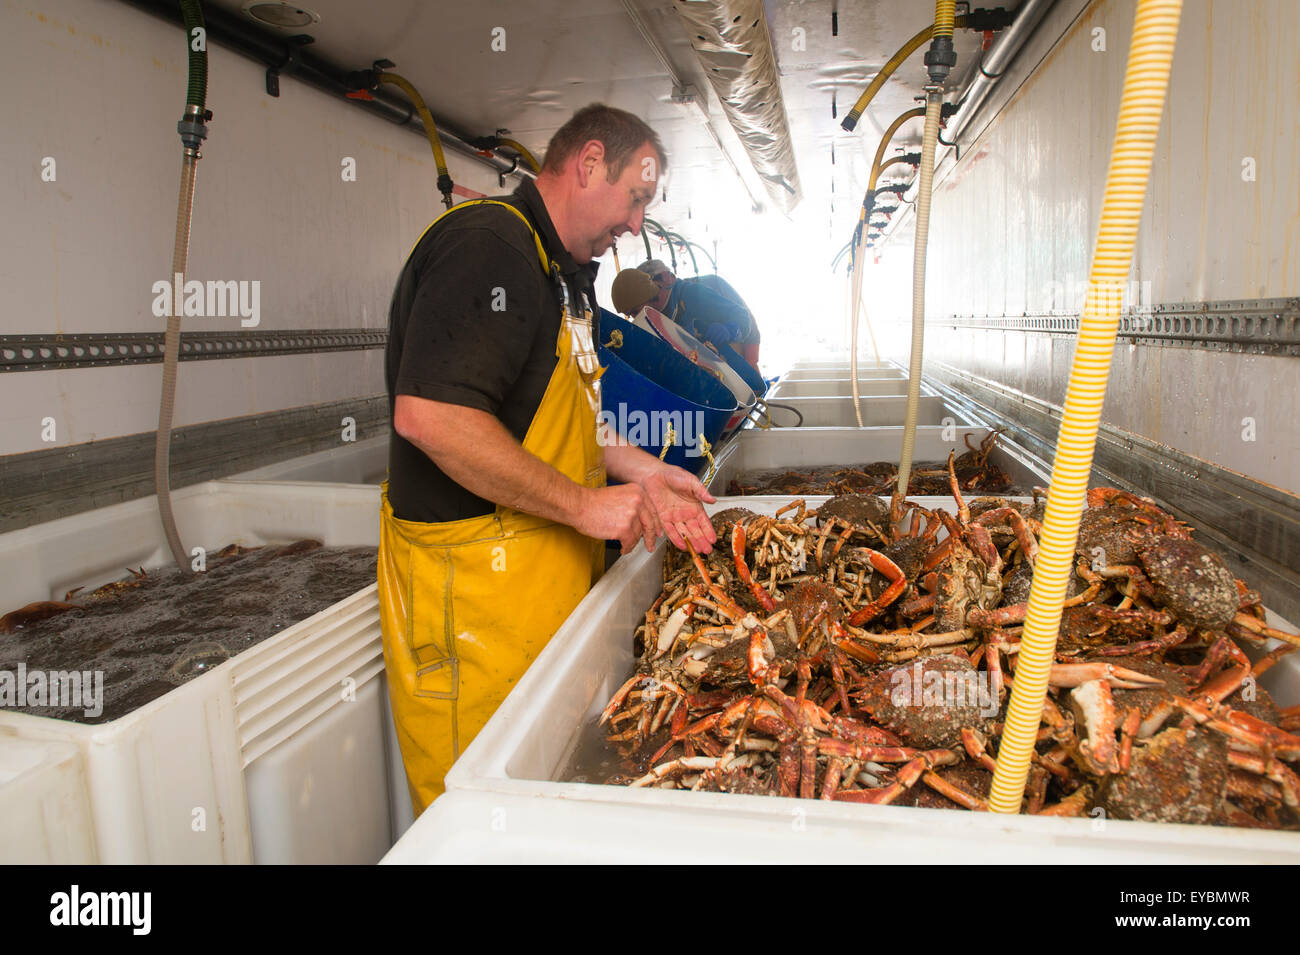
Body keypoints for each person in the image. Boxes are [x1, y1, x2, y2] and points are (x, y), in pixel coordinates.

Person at [380, 104, 717, 814]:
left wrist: (642, 469)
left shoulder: (561, 273)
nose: (635, 226)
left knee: (541, 816)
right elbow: (432, 416)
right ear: (588, 162)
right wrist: (586, 506)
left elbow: (551, 418)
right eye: (636, 198)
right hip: (472, 610)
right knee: (479, 821)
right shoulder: (488, 248)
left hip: (540, 599)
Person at [639, 259, 762, 368]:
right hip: (708, 356)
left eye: (653, 291)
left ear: (666, 278)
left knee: (750, 372)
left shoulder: (695, 293)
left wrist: (730, 330)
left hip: (745, 335)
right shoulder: (660, 309)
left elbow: (743, 317)